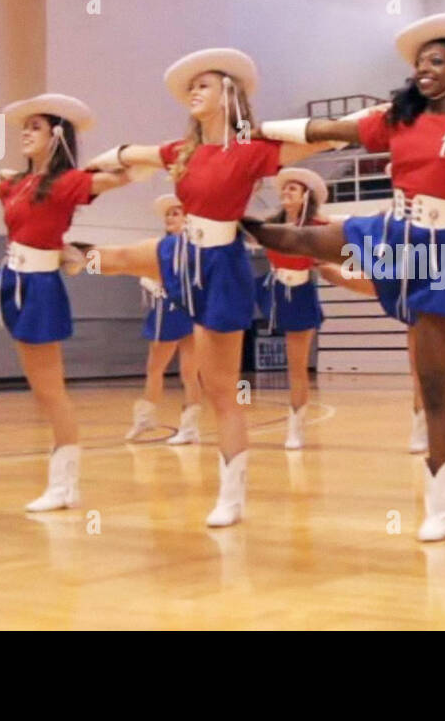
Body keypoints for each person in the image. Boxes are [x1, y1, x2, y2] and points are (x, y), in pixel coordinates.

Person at [243, 13, 445, 541]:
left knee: (433, 385)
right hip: (392, 231)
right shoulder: (397, 118)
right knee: (300, 239)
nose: (423, 70)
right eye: (419, 63)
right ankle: (241, 228)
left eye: (436, 61)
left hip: (441, 250)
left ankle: (441, 503)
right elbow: (329, 130)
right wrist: (261, 131)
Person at [80, 48, 335, 527]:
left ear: (229, 95)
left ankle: (232, 493)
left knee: (221, 390)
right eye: (190, 87)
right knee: (107, 258)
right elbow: (132, 153)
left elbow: (320, 141)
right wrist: (93, 170)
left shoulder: (252, 150)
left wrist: (279, 129)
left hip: (221, 264)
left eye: (205, 85)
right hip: (182, 254)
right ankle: (58, 263)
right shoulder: (184, 152)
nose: (193, 92)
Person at [0, 93, 135, 511]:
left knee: (50, 391)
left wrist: (109, 162)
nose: (25, 134)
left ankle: (65, 482)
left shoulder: (68, 183)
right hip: (12, 277)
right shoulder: (14, 181)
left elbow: (122, 176)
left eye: (35, 128)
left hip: (39, 285)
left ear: (56, 136)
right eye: (24, 128)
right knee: (40, 388)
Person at [255, 168, 330, 449]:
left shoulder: (318, 226)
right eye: (284, 189)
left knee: (296, 368)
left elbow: (345, 244)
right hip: (273, 291)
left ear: (305, 197)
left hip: (300, 293)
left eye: (293, 190)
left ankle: (295, 426)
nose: (286, 193)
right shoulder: (270, 225)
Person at [125, 194, 202, 446]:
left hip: (186, 309)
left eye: (176, 213)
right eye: (168, 214)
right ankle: (147, 418)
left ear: (187, 218)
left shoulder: (195, 245)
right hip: (165, 310)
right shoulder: (160, 245)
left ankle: (189, 427)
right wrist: (150, 281)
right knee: (155, 368)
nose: (170, 217)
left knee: (189, 372)